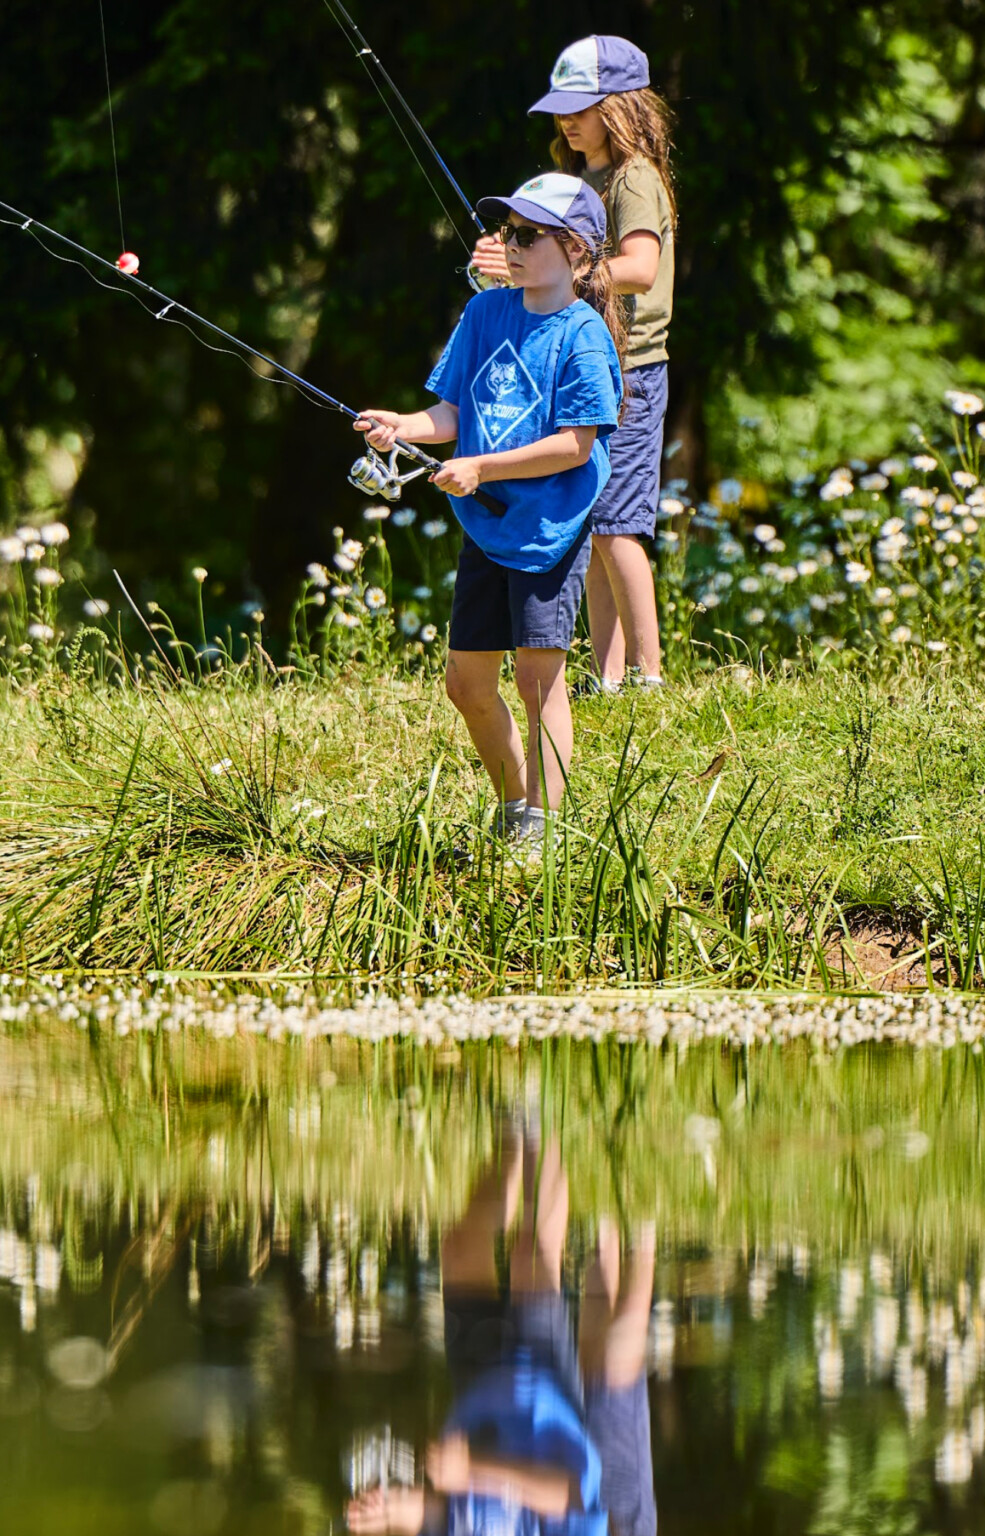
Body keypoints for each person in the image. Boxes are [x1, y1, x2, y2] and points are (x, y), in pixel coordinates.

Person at [355, 173, 624, 847]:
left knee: (538, 681)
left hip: (548, 531)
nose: (511, 245)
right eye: (507, 232)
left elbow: (573, 445)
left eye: (528, 235)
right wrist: (403, 427)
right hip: (488, 527)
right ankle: (516, 808)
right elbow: (450, 412)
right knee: (465, 683)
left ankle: (545, 824)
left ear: (578, 253)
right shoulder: (484, 315)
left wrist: (480, 468)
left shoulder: (582, 335)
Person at [473, 37, 676, 693]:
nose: (568, 121)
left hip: (633, 370)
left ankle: (649, 674)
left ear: (621, 106)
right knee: (592, 520)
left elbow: (640, 270)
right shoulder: (581, 182)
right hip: (587, 367)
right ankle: (606, 675)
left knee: (620, 528)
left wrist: (568, 269)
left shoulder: (633, 179)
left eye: (582, 107)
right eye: (560, 109)